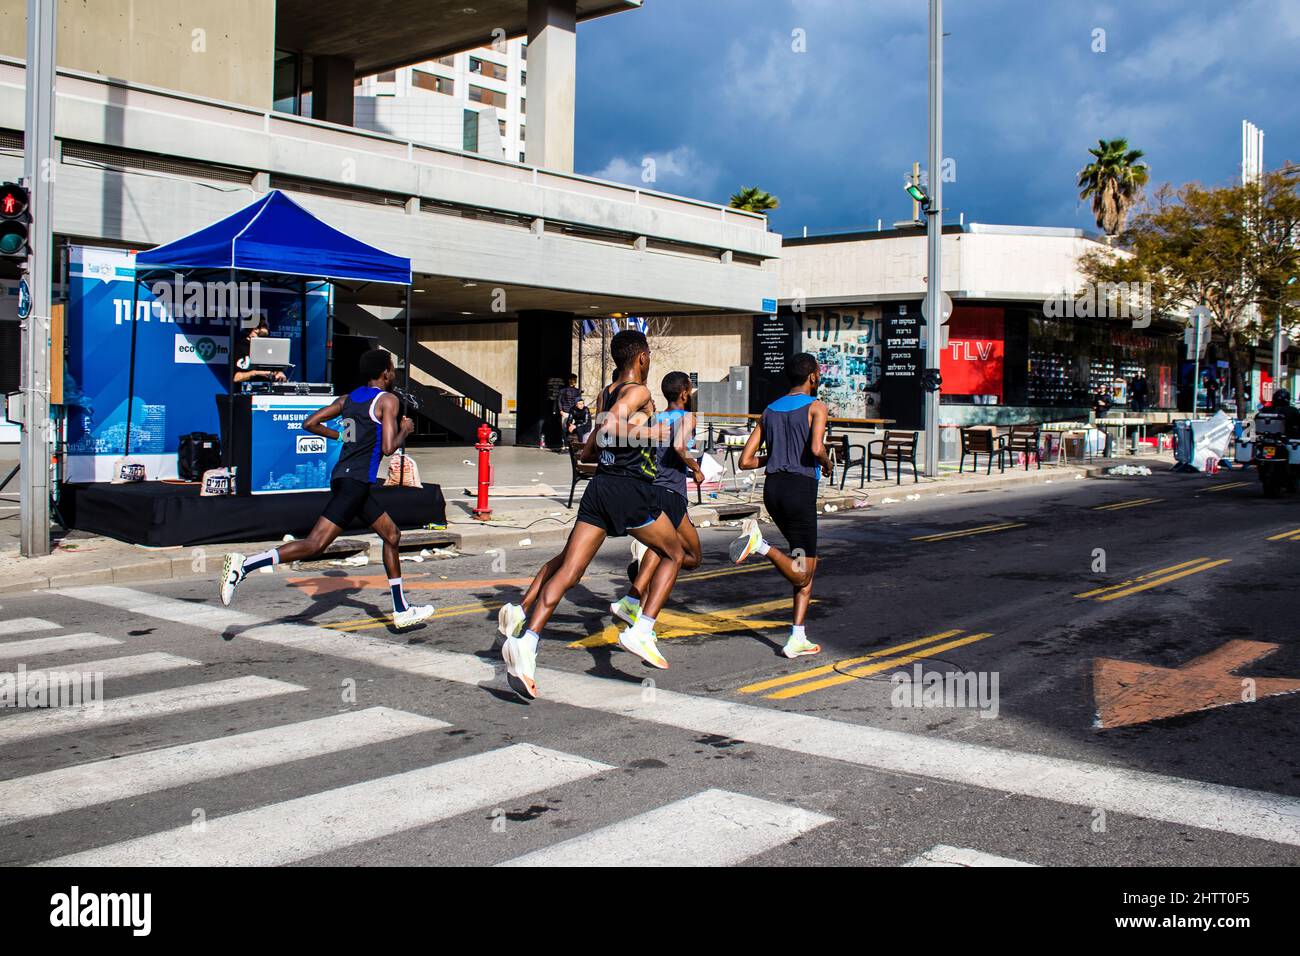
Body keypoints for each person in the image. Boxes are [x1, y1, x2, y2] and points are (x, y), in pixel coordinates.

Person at [496, 330, 684, 700]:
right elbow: (614, 423)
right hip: (631, 489)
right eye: (648, 357)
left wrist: (591, 451)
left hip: (600, 487)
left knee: (570, 569)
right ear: (642, 358)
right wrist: (655, 433)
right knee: (673, 553)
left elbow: (597, 437)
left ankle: (527, 642)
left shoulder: (603, 392)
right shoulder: (639, 392)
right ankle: (642, 629)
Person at [218, 349, 434, 629]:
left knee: (392, 535)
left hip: (346, 479)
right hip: (355, 483)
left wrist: (343, 435)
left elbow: (310, 423)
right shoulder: (388, 401)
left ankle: (401, 608)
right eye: (391, 369)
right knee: (315, 544)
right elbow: (388, 447)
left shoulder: (348, 399)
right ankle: (244, 565)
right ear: (384, 373)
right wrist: (405, 429)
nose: (393, 373)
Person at [729, 352, 833, 658]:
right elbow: (816, 448)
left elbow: (745, 461)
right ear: (813, 376)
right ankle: (761, 545)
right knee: (802, 572)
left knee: (803, 565)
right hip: (799, 490)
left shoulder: (769, 411)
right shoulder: (817, 407)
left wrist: (774, 457)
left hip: (773, 490)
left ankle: (797, 636)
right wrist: (826, 463)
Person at [611, 371, 705, 626]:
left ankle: (631, 600)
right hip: (672, 494)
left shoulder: (654, 419)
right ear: (685, 393)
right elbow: (678, 446)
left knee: (661, 547)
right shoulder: (688, 417)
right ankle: (644, 622)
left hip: (651, 490)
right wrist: (695, 469)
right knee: (693, 558)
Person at [234, 320, 287, 386]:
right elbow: (236, 377)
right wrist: (256, 373)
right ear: (256, 329)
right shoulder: (240, 347)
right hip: (247, 392)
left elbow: (274, 368)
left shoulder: (269, 346)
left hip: (269, 391)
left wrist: (279, 373)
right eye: (265, 326)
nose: (268, 329)